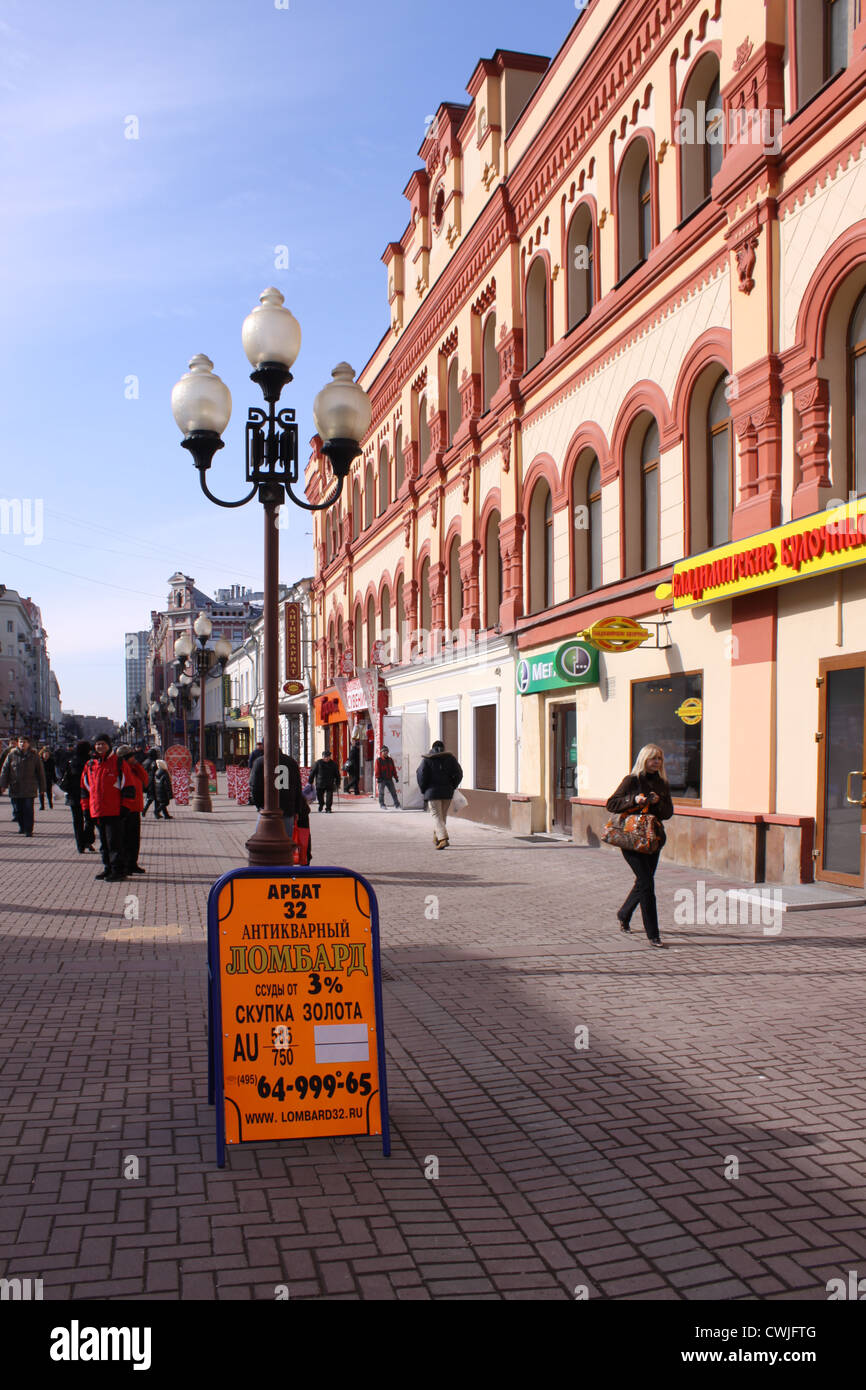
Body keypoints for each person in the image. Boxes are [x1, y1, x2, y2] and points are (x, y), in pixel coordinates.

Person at [606, 743, 674, 948]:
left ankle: (624, 913)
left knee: (644, 882)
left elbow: (668, 813)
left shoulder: (662, 783)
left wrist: (656, 802)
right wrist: (634, 799)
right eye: (653, 758)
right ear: (644, 759)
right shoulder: (631, 780)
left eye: (659, 758)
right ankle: (653, 934)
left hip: (653, 840)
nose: (656, 762)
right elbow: (611, 804)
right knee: (647, 884)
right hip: (631, 839)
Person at [80, 734, 127, 881]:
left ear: (109, 745)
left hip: (114, 810)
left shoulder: (118, 763)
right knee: (104, 843)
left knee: (114, 842)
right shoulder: (90, 765)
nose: (100, 747)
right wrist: (86, 808)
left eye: (103, 744)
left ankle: (118, 871)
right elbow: (84, 788)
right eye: (98, 744)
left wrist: (125, 807)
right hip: (97, 809)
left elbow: (128, 787)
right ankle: (107, 868)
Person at [416, 740, 463, 849]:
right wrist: (453, 786)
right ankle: (437, 836)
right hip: (447, 793)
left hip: (432, 793)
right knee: (442, 816)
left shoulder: (427, 760)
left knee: (437, 816)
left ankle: (443, 839)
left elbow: (421, 775)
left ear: (432, 748)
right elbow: (459, 773)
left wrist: (424, 790)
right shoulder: (451, 759)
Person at [250, 747, 303, 842]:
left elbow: (254, 786)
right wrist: (296, 809)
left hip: (267, 807)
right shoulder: (291, 762)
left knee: (261, 839)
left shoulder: (260, 762)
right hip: (287, 806)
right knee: (286, 840)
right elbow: (298, 787)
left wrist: (259, 805)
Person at [0, 735, 46, 837]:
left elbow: (40, 773)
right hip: (15, 787)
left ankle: (29, 829)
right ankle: (22, 826)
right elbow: (5, 770)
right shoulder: (12, 755)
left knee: (28, 809)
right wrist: (2, 785)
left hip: (29, 788)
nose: (22, 744)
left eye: (24, 742)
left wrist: (42, 788)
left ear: (28, 744)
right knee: (18, 810)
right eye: (20, 742)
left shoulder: (34, 756)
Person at [115, 744, 148, 875]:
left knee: (134, 839)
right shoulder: (120, 769)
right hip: (124, 807)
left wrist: (136, 765)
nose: (133, 758)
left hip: (136, 807)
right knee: (124, 838)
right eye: (130, 757)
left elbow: (145, 780)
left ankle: (132, 863)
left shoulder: (135, 768)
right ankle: (124, 864)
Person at [60, 739, 97, 853]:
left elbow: (63, 775)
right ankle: (88, 840)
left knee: (77, 821)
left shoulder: (71, 761)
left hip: (73, 795)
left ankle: (80, 844)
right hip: (87, 795)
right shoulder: (90, 762)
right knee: (90, 820)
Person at [309, 747, 340, 813]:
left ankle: (328, 808)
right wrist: (310, 781)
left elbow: (337, 774)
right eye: (325, 757)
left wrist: (338, 781)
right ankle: (321, 804)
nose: (326, 758)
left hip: (329, 783)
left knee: (329, 797)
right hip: (320, 783)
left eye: (328, 757)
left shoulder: (333, 764)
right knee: (319, 796)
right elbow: (313, 772)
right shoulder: (318, 763)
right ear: (322, 756)